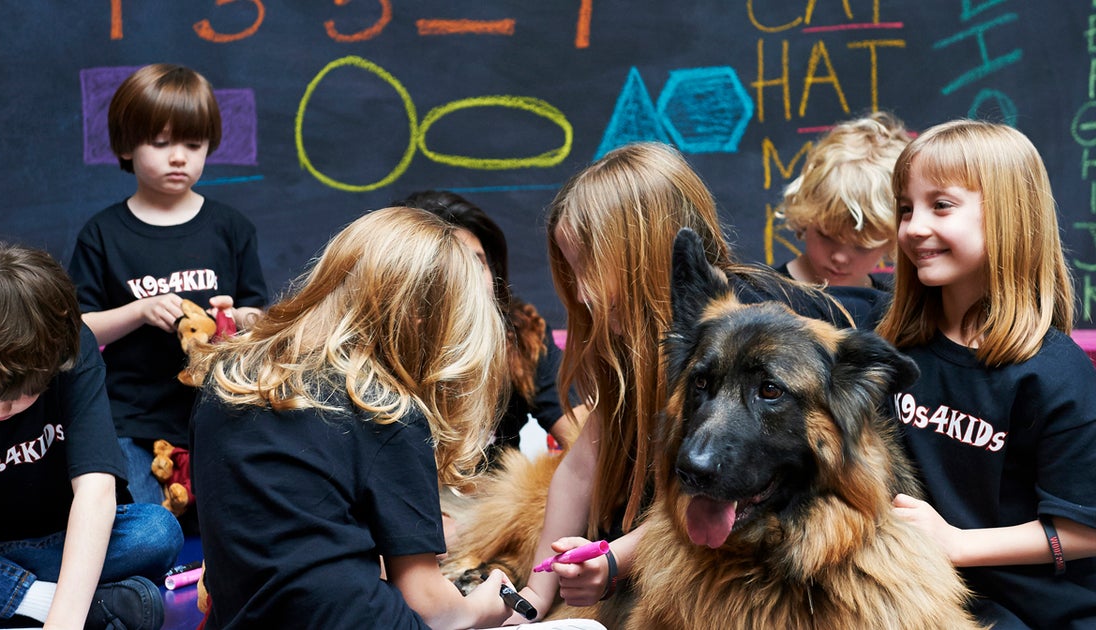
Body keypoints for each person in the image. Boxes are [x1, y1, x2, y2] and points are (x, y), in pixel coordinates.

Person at [514, 142, 859, 622]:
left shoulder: (750, 320)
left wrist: (616, 561)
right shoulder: (630, 337)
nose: (582, 293)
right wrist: (533, 595)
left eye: (590, 269)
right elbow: (581, 467)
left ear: (647, 254)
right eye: (571, 273)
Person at [189, 206, 520, 628]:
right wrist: (483, 607)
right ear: (427, 323)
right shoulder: (385, 409)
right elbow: (432, 608)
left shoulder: (227, 380)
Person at [877, 119, 1096, 628]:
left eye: (941, 206)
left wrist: (955, 544)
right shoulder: (891, 342)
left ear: (1008, 217)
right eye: (906, 208)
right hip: (934, 598)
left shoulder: (1053, 373)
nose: (914, 227)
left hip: (1040, 613)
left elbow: (1085, 531)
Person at [0, 243, 183, 630]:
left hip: (61, 534)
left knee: (155, 532)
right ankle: (36, 600)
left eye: (19, 398)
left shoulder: (73, 350)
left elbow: (96, 493)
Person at [68, 63, 268, 508]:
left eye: (193, 144)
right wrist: (139, 311)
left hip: (218, 418)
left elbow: (260, 314)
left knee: (236, 521)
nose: (179, 157)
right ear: (126, 145)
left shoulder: (231, 229)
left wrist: (236, 317)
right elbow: (77, 330)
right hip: (131, 422)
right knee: (146, 525)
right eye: (161, 143)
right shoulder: (103, 233)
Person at [394, 190, 588, 456]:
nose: (468, 278)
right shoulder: (384, 347)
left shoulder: (521, 335)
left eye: (477, 261)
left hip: (492, 494)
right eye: (448, 265)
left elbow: (585, 440)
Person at [774, 111, 910, 291]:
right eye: (827, 236)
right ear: (805, 218)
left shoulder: (893, 313)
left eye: (863, 246)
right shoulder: (756, 297)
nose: (840, 258)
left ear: (891, 241)